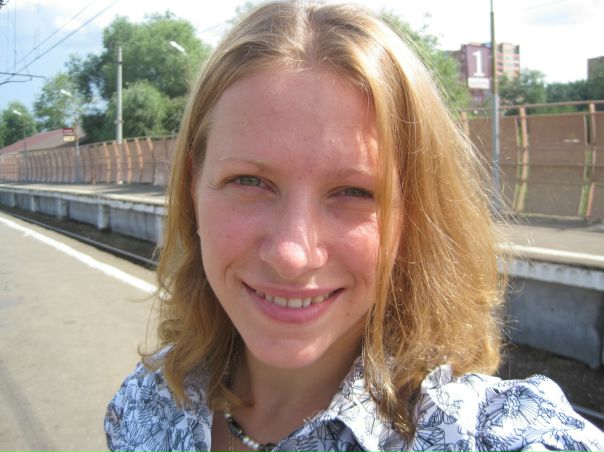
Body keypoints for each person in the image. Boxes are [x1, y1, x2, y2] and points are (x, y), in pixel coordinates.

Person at [105, 2, 604, 451]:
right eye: (249, 181)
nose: (292, 254)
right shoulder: (145, 405)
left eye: (355, 192)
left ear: (415, 215)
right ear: (193, 188)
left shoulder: (490, 434)